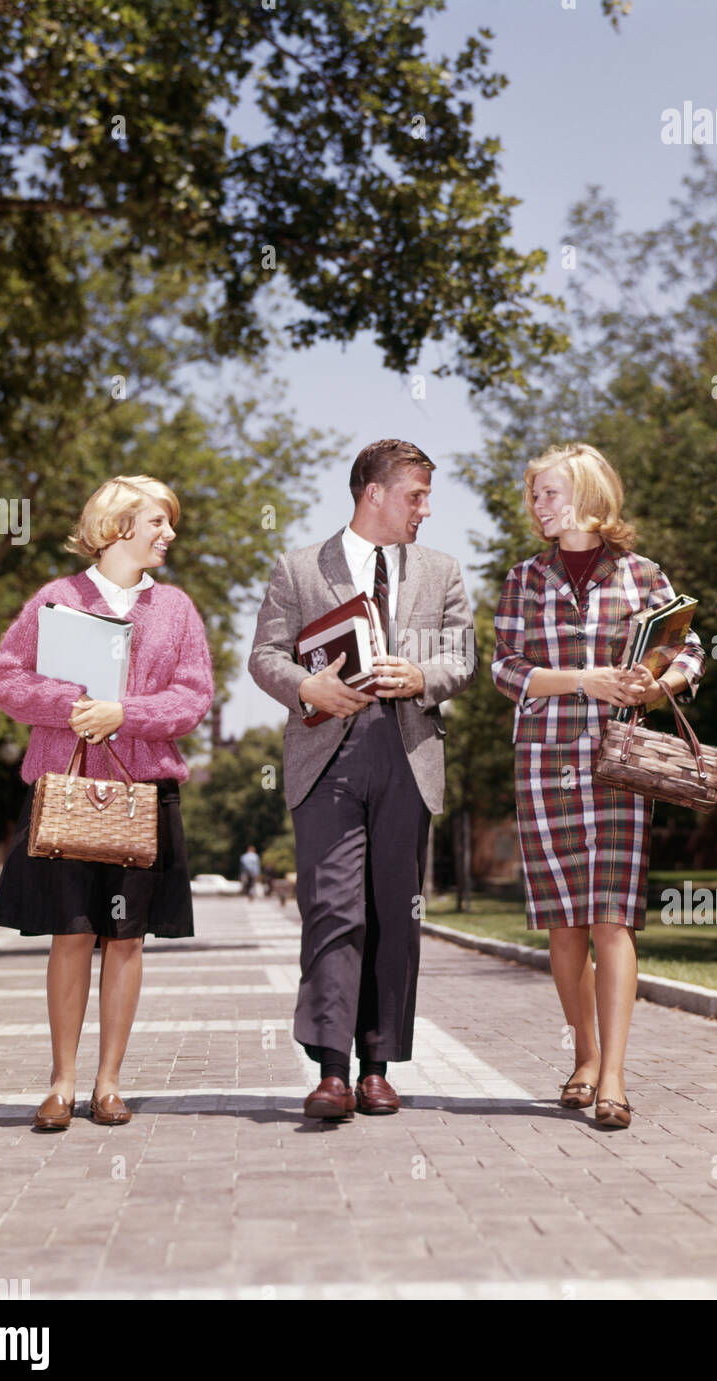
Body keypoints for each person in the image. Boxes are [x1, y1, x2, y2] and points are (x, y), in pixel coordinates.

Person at [249, 439, 478, 1121]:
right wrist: (307, 687)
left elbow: (462, 658)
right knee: (332, 910)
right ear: (373, 493)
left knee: (392, 915)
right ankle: (330, 1072)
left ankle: (378, 1066)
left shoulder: (442, 571)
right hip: (327, 756)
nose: (426, 510)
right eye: (416, 495)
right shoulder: (297, 569)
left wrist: (422, 677)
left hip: (407, 754)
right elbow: (264, 656)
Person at [0, 476, 214, 1130]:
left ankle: (108, 1084)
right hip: (64, 793)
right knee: (71, 934)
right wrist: (69, 707)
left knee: (127, 939)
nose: (168, 534)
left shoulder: (176, 610)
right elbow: (5, 678)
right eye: (157, 523)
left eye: (169, 523)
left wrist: (124, 713)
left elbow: (193, 698)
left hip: (143, 795)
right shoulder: (55, 600)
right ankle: (59, 1084)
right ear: (117, 527)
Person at [492, 443, 706, 1129]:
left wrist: (656, 683)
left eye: (550, 493)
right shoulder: (524, 579)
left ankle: (612, 1076)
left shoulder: (644, 576)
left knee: (612, 918)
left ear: (589, 494)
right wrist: (585, 679)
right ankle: (583, 1053)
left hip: (617, 762)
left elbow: (690, 652)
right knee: (564, 926)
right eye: (534, 496)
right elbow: (505, 670)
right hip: (544, 762)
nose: (538, 505)